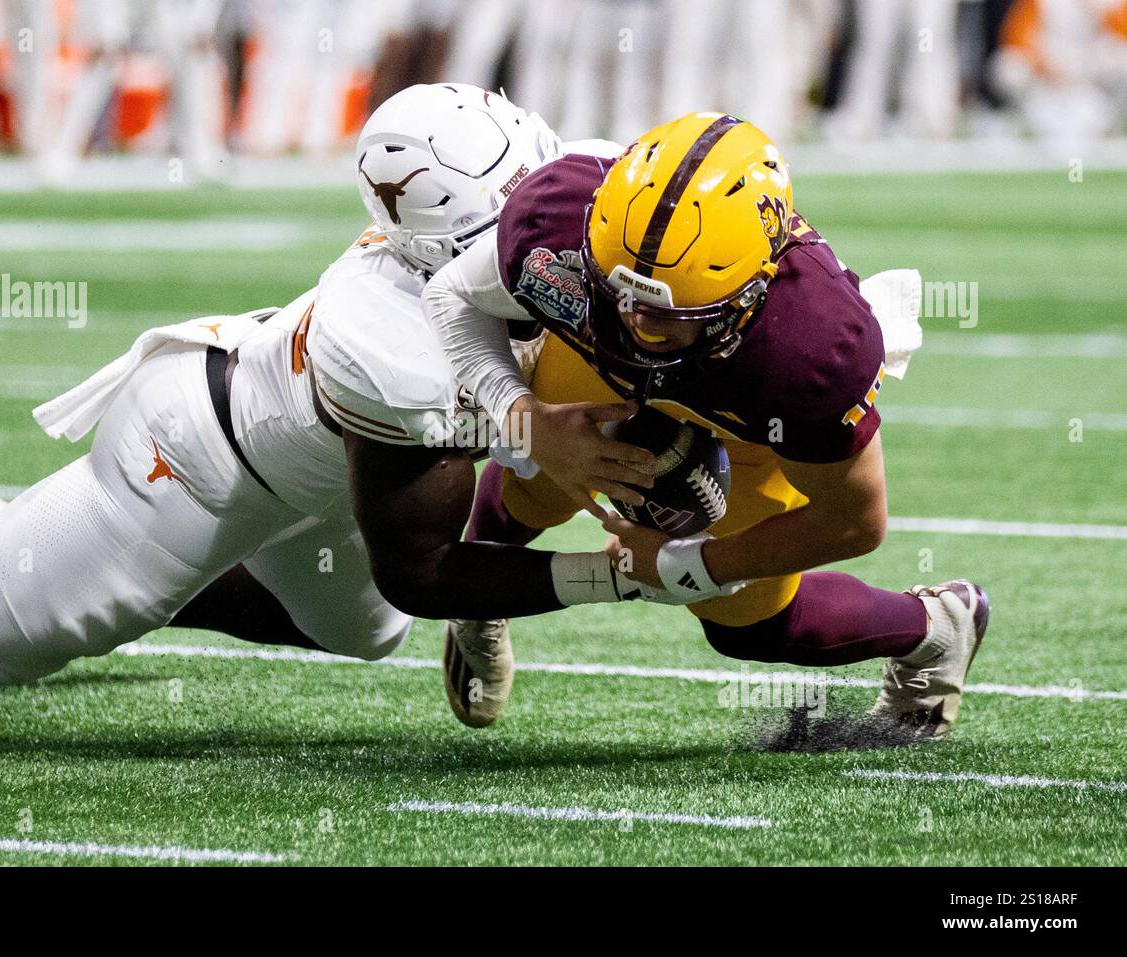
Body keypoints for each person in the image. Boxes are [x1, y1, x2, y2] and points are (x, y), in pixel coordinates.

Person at [0, 85, 683, 737]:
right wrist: (613, 574)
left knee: (369, 632)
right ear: (447, 245)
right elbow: (420, 569)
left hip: (301, 460)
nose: (551, 226)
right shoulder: (391, 350)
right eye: (516, 221)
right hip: (187, 469)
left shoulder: (570, 187)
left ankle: (51, 557)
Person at [423, 111, 989, 738]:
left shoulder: (808, 348)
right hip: (608, 373)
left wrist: (692, 563)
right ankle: (481, 595)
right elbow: (453, 298)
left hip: (745, 418)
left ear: (754, 290)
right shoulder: (554, 221)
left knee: (747, 628)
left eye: (672, 315)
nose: (639, 325)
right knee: (539, 468)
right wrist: (522, 416)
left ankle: (937, 627)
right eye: (622, 296)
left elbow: (855, 522)